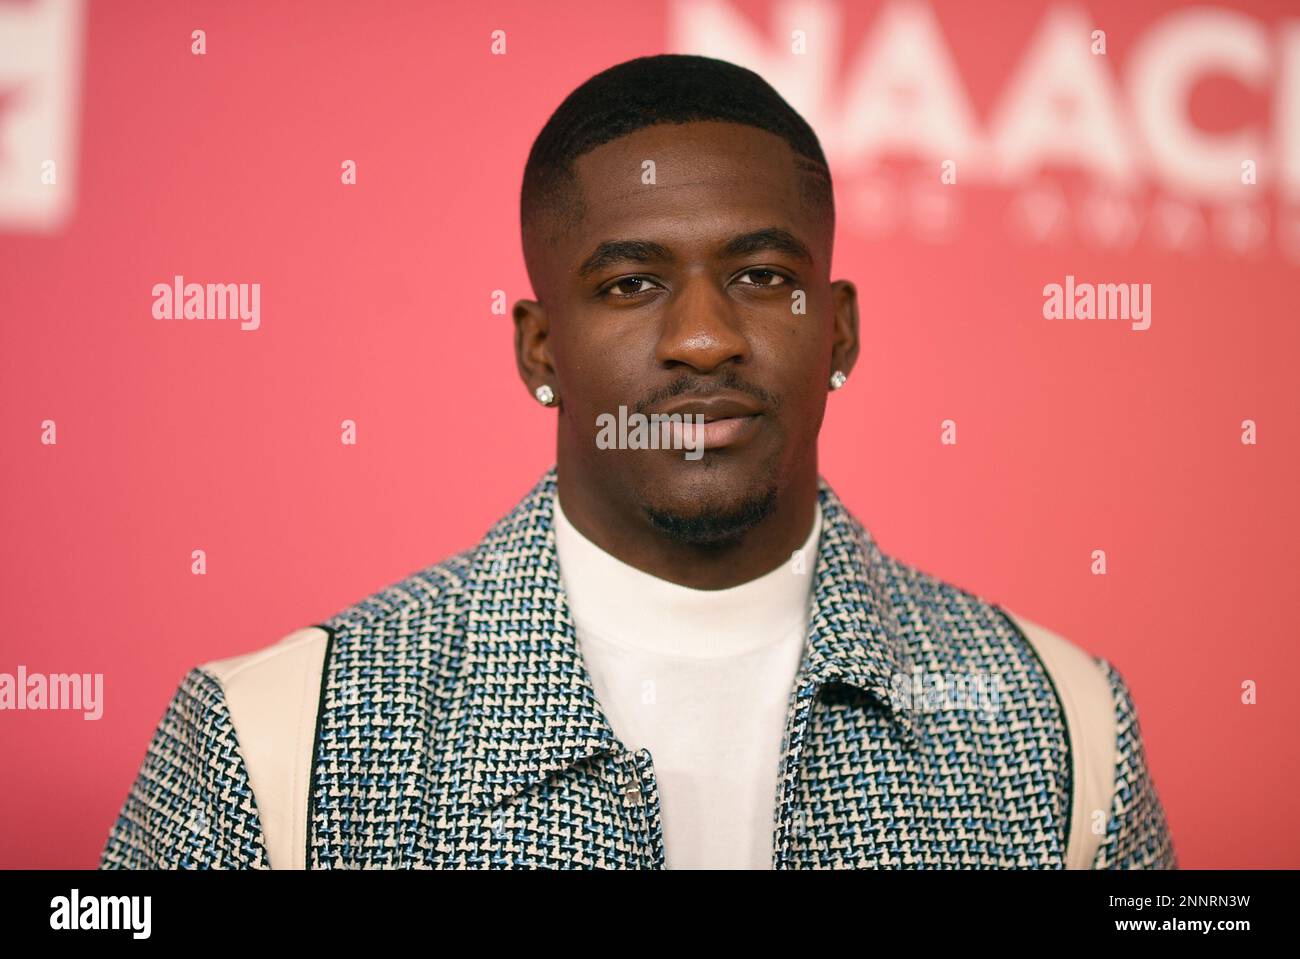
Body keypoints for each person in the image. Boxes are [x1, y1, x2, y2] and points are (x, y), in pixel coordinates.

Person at [101, 53, 1176, 870]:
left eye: (760, 275)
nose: (703, 338)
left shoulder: (1060, 722)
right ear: (539, 348)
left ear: (838, 329)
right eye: (628, 284)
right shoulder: (276, 735)